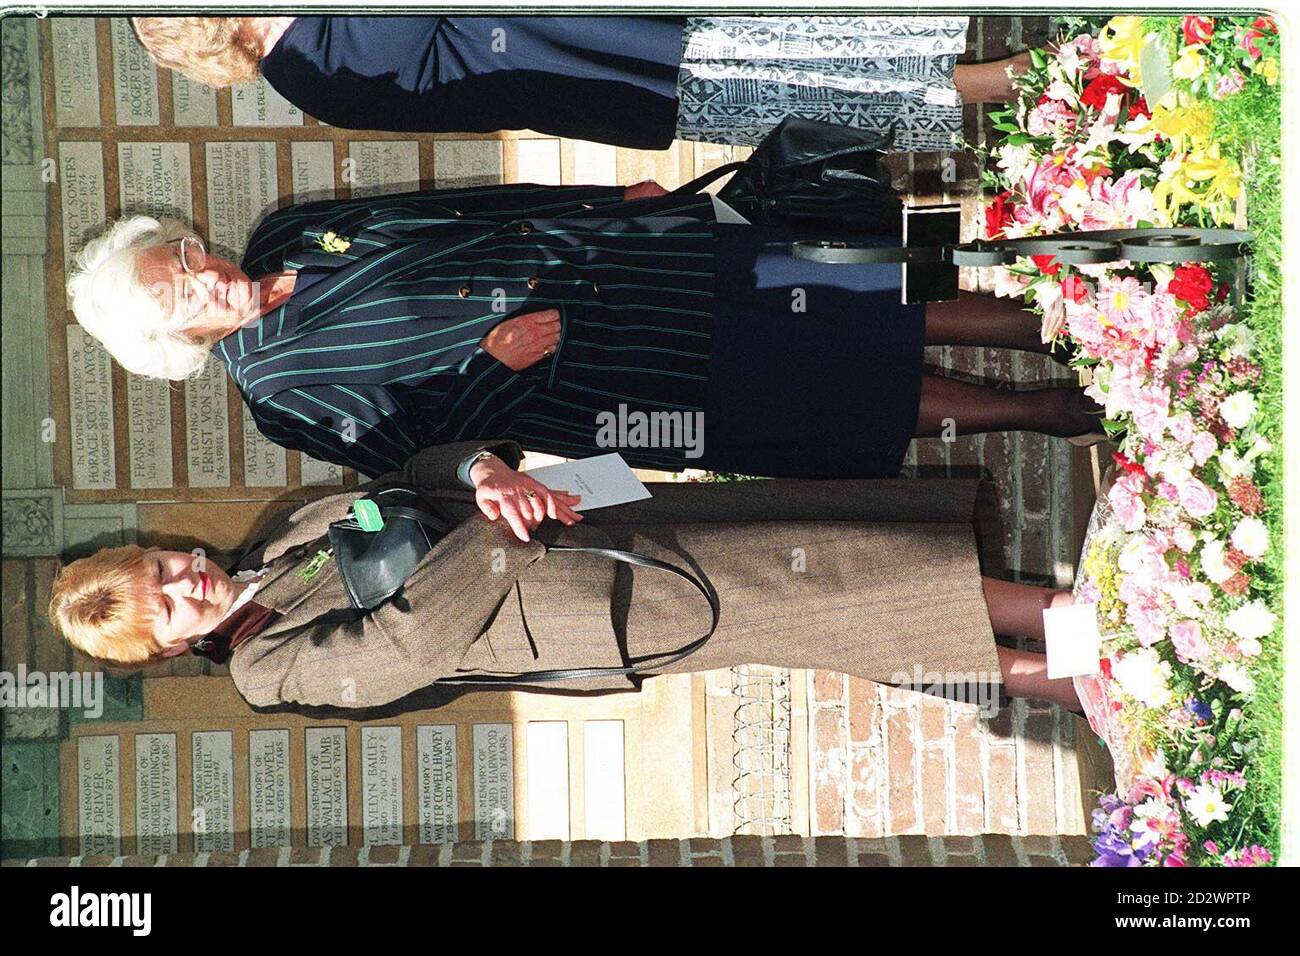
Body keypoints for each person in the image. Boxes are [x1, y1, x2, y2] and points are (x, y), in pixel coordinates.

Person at [66, 181, 1104, 481]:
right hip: (617, 379)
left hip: (631, 258)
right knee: (836, 392)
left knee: (854, 277)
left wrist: (608, 204)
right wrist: (488, 367)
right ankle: (1046, 410)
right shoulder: (283, 402)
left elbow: (466, 204)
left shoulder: (287, 230)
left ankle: (1061, 316)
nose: (208, 276)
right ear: (178, 348)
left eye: (187, 255)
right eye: (182, 297)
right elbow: (420, 460)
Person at [49, 439, 1081, 712]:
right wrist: (504, 528)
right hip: (596, 600)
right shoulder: (265, 669)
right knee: (837, 590)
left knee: (818, 532)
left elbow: (411, 476)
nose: (187, 575)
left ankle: (1080, 645)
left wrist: (485, 473)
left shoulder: (277, 530)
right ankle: (1080, 637)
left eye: (163, 560)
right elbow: (411, 644)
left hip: (586, 510)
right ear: (172, 641)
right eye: (169, 598)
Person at [131, 15, 1028, 151]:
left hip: (619, 71)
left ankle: (1021, 82)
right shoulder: (322, 54)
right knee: (808, 70)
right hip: (623, 57)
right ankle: (1025, 82)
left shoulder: (310, 77)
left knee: (813, 65)